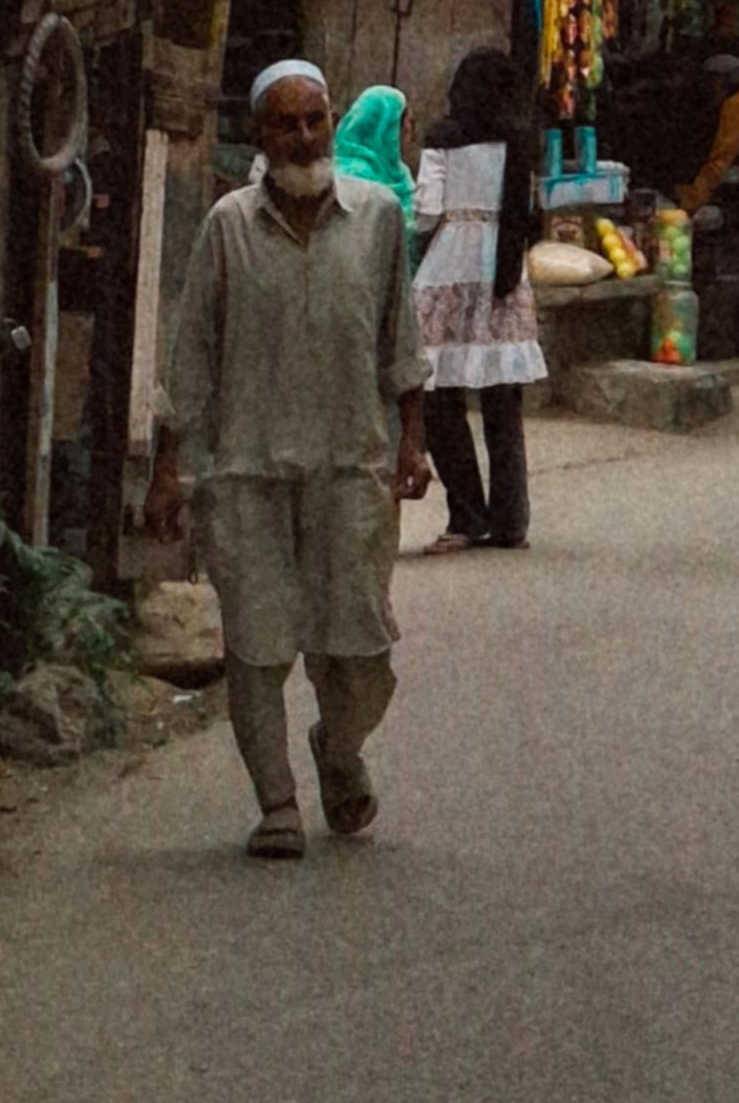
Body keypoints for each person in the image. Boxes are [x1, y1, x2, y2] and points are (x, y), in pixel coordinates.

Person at [146, 57, 431, 859]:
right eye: (286, 123)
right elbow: (192, 354)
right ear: (259, 135)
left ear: (332, 123)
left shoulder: (377, 217)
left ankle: (338, 748)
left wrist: (413, 438)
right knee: (257, 647)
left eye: (316, 120)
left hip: (351, 469)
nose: (304, 137)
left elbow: (400, 338)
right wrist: (168, 467)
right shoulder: (228, 226)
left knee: (360, 650)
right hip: (248, 474)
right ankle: (276, 802)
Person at [413, 46, 545, 553]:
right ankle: (511, 522)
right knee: (503, 404)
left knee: (440, 396)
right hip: (504, 272)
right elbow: (529, 210)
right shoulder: (520, 139)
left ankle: (467, 515)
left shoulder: (444, 137)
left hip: (450, 268)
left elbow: (427, 211)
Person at [679, 49, 739, 219]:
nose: (705, 89)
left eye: (710, 82)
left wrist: (691, 202)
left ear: (721, 80)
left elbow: (722, 159)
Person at [335, 80, 416, 225]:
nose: (410, 132)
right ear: (390, 129)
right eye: (409, 123)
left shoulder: (399, 173)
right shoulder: (352, 174)